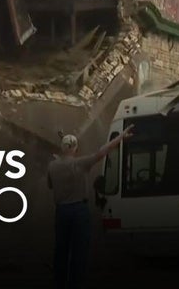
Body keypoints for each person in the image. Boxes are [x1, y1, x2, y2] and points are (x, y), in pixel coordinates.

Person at [47, 124, 134, 289]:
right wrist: (121, 136)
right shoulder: (81, 163)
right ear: (75, 148)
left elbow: (50, 186)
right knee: (79, 253)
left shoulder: (52, 166)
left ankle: (59, 284)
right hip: (79, 211)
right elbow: (103, 151)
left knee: (61, 251)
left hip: (62, 211)